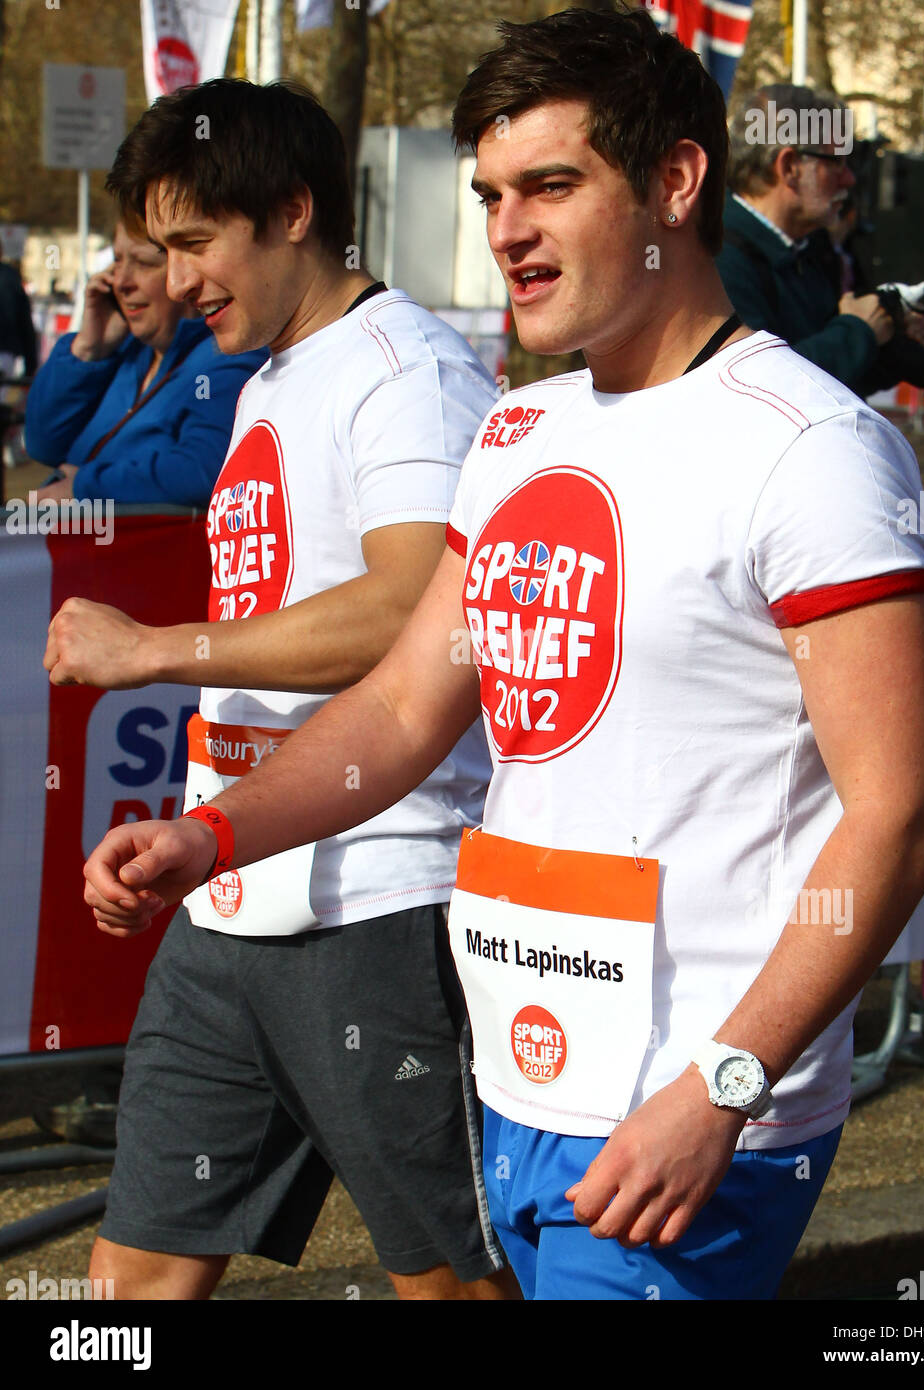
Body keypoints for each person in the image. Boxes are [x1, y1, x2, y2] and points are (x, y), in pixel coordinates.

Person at [76, 11, 924, 1301]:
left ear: (673, 184)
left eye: (551, 186)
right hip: (518, 1078)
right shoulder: (522, 431)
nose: (506, 230)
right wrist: (216, 837)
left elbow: (900, 813)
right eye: (492, 193)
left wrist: (724, 1083)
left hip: (688, 1116)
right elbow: (405, 707)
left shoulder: (806, 445)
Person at [44, 78, 516, 1301]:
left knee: (455, 1286)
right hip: (227, 904)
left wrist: (155, 648)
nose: (183, 280)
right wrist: (191, 828)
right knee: (130, 1281)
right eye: (166, 249)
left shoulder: (409, 367)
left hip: (385, 904)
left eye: (198, 243)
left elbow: (417, 611)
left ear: (294, 210)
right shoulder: (262, 378)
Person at [24, 220, 265, 506]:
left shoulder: (224, 358)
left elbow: (201, 472)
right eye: (117, 260)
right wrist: (88, 350)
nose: (121, 282)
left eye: (143, 263)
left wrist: (85, 486)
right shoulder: (124, 352)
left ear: (184, 274)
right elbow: (43, 444)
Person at [716, 83, 897, 394]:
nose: (849, 178)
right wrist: (858, 332)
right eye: (836, 161)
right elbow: (760, 385)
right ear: (789, 167)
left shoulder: (808, 249)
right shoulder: (718, 257)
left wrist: (891, 339)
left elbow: (833, 384)